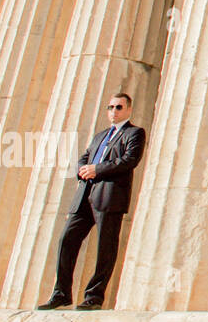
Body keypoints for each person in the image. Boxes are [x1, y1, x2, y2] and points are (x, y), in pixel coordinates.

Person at [38, 93, 146, 310]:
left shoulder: (134, 133)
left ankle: (94, 297)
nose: (113, 111)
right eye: (110, 107)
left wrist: (97, 169)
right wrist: (82, 170)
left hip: (109, 196)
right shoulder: (100, 136)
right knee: (66, 240)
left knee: (105, 248)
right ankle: (61, 293)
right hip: (84, 196)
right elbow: (85, 157)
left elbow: (129, 160)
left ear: (128, 110)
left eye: (118, 107)